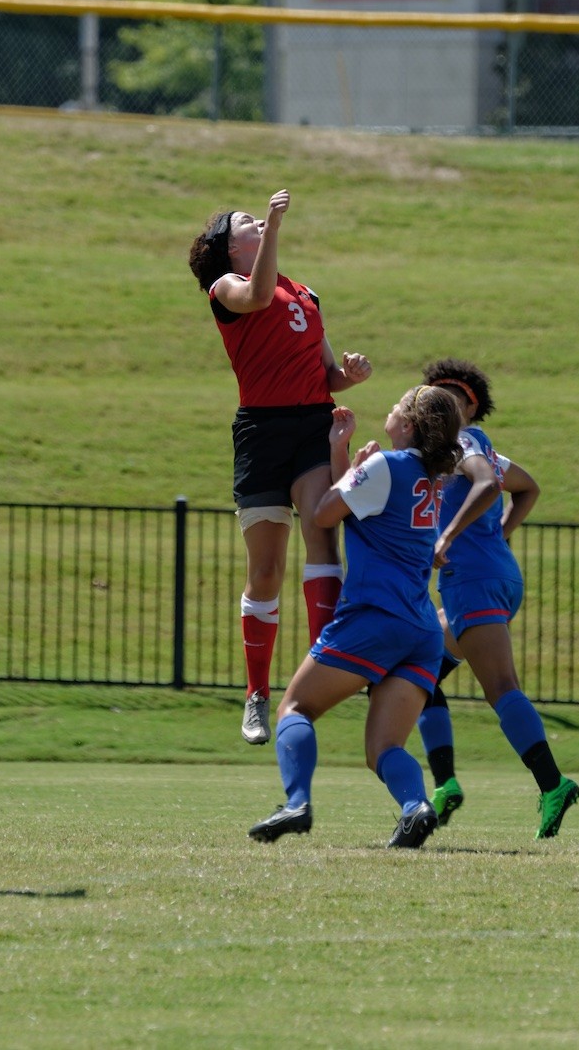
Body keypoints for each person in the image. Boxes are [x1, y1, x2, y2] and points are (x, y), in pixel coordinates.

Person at [188, 190, 373, 746]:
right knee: (266, 571)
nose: (254, 222)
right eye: (244, 222)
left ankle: (327, 663)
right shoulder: (226, 288)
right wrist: (271, 220)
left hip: (312, 423)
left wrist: (350, 375)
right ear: (230, 247)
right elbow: (258, 294)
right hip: (261, 432)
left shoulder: (305, 292)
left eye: (256, 219)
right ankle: (257, 694)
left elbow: (327, 373)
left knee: (322, 533)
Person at [246, 387, 468, 850]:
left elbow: (326, 514)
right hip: (422, 631)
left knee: (296, 708)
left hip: (375, 619)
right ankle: (415, 807)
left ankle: (297, 802)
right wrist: (340, 452)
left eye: (399, 405)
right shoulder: (430, 479)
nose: (390, 407)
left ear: (407, 426)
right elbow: (366, 511)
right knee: (383, 749)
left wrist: (358, 461)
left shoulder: (388, 465)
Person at [411, 359, 579, 840]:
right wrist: (500, 538)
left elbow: (490, 485)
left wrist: (448, 539)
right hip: (490, 577)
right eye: (433, 392)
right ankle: (444, 785)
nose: (439, 400)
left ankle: (553, 783)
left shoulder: (464, 443)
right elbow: (526, 487)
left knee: (501, 687)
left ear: (469, 407)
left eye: (450, 394)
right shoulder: (452, 451)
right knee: (420, 671)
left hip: (474, 581)